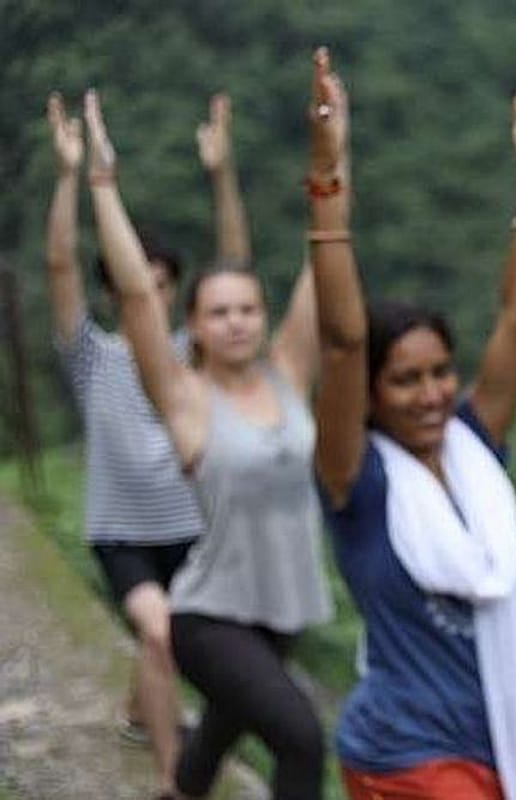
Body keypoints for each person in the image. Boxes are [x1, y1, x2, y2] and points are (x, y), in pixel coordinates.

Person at [305, 48, 516, 800]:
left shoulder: (472, 448)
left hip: (498, 748)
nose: (430, 395)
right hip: (408, 755)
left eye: (439, 373)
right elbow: (342, 340)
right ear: (368, 394)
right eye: (405, 380)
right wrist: (326, 182)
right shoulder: (354, 478)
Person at [82, 87, 332, 800]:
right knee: (301, 739)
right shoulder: (187, 398)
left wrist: (329, 166)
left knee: (221, 729)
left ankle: (179, 791)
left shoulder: (288, 371)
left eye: (248, 308)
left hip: (282, 609)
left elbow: (324, 266)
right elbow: (135, 296)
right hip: (209, 613)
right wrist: (102, 185)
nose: (235, 322)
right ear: (192, 324)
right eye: (217, 312)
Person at [45, 90, 249, 798]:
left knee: (184, 648)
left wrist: (222, 174)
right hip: (123, 534)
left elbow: (235, 265)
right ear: (119, 293)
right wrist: (73, 173)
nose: (152, 297)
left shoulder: (197, 357)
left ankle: (142, 710)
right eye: (142, 285)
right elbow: (62, 269)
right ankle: (173, 779)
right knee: (160, 635)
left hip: (193, 531)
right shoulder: (92, 356)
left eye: (165, 287)